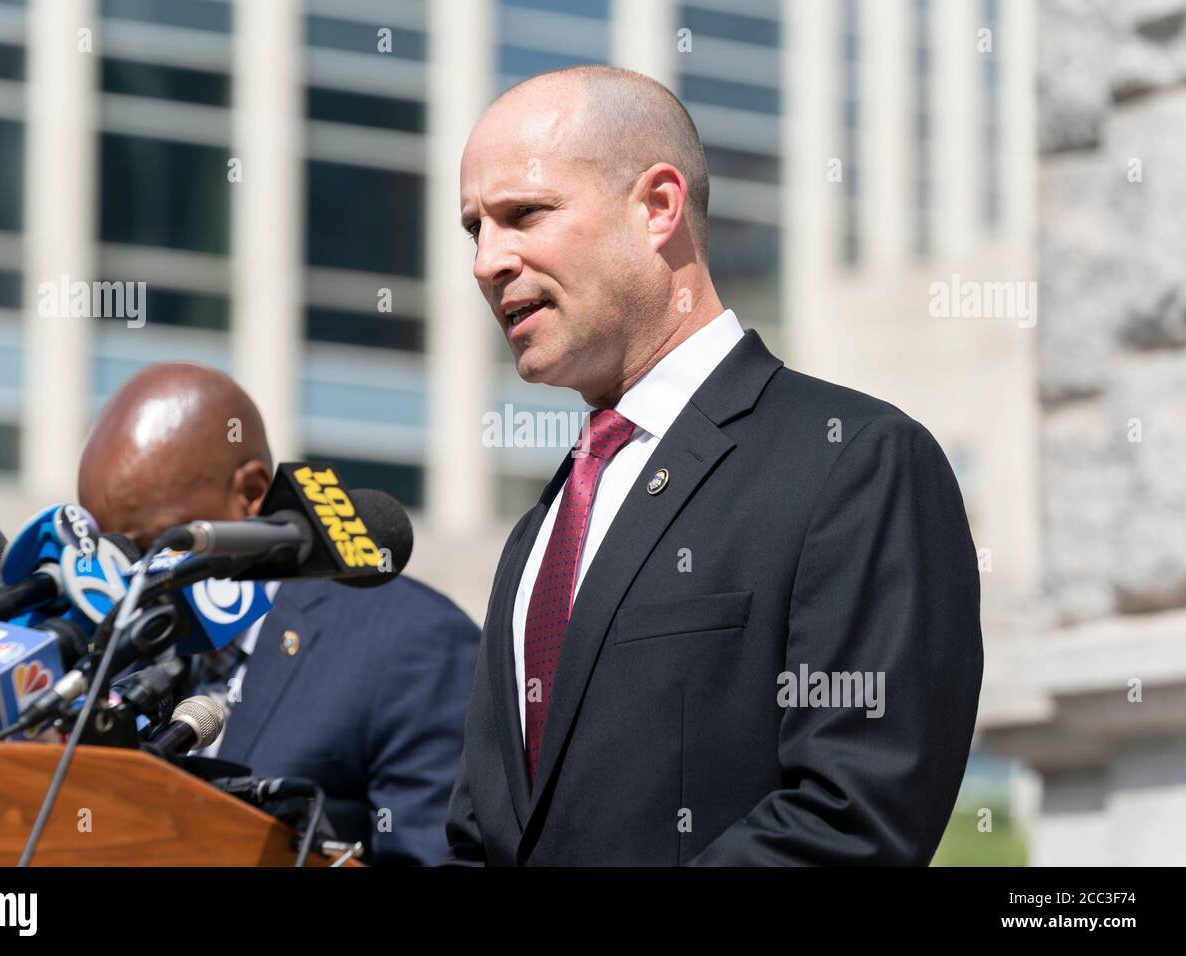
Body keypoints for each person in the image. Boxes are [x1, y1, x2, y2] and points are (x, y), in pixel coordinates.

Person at [446, 65, 983, 865]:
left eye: (524, 214)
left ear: (658, 207)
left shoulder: (854, 463)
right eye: (474, 230)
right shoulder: (541, 530)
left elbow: (853, 817)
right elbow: (482, 836)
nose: (489, 261)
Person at [78, 362, 479, 865]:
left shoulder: (412, 643)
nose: (132, 575)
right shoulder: (123, 658)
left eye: (150, 545)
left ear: (248, 493)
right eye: (110, 552)